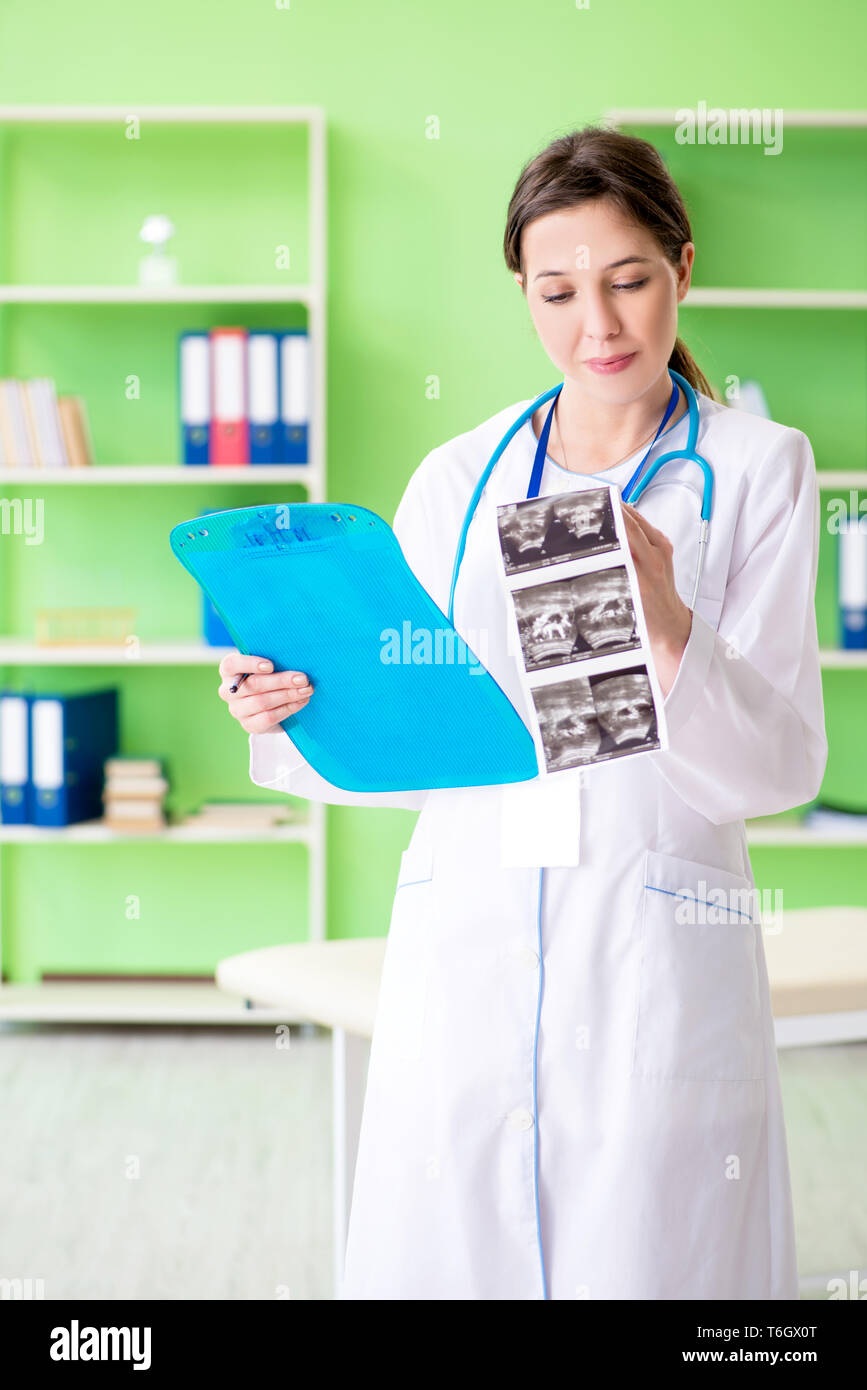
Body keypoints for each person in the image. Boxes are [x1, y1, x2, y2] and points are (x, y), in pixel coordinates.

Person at [216, 125, 827, 1301]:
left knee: (652, 1260)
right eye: (557, 292)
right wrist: (288, 712)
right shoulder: (459, 476)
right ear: (524, 293)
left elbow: (781, 761)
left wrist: (670, 625)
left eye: (629, 279)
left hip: (652, 947)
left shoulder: (758, 467)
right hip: (469, 940)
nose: (598, 324)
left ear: (683, 268)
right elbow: (415, 740)